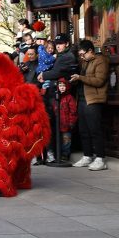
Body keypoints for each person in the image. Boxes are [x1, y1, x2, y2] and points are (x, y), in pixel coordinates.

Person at [71, 39, 110, 170]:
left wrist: (80, 78)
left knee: (95, 130)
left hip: (94, 100)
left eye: (83, 54)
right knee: (83, 130)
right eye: (80, 55)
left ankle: (100, 158)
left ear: (90, 51)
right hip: (82, 99)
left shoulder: (100, 60)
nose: (81, 57)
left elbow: (99, 81)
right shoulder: (85, 62)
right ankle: (87, 156)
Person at [39, 33, 79, 163]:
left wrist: (44, 75)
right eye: (56, 44)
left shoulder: (67, 56)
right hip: (55, 98)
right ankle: (56, 153)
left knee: (64, 128)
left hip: (65, 97)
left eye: (60, 44)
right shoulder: (60, 56)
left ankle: (64, 154)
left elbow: (58, 72)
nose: (58, 46)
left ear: (67, 43)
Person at [56, 78, 77, 162]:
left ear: (67, 86)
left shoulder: (69, 98)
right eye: (60, 85)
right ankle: (58, 154)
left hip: (66, 124)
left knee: (66, 141)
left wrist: (71, 122)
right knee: (58, 140)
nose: (62, 87)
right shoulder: (56, 97)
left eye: (64, 86)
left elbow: (73, 111)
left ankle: (65, 155)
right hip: (58, 124)